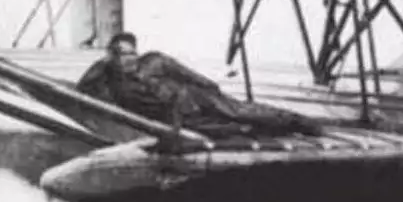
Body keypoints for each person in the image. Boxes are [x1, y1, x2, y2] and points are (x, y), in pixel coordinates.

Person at [77, 32, 325, 138]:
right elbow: (83, 88)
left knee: (240, 111)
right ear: (112, 56)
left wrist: (212, 90)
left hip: (195, 98)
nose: (129, 59)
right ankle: (278, 131)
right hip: (177, 117)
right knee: (230, 129)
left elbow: (189, 74)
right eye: (122, 55)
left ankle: (301, 122)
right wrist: (105, 62)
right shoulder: (109, 76)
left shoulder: (154, 60)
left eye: (132, 54)